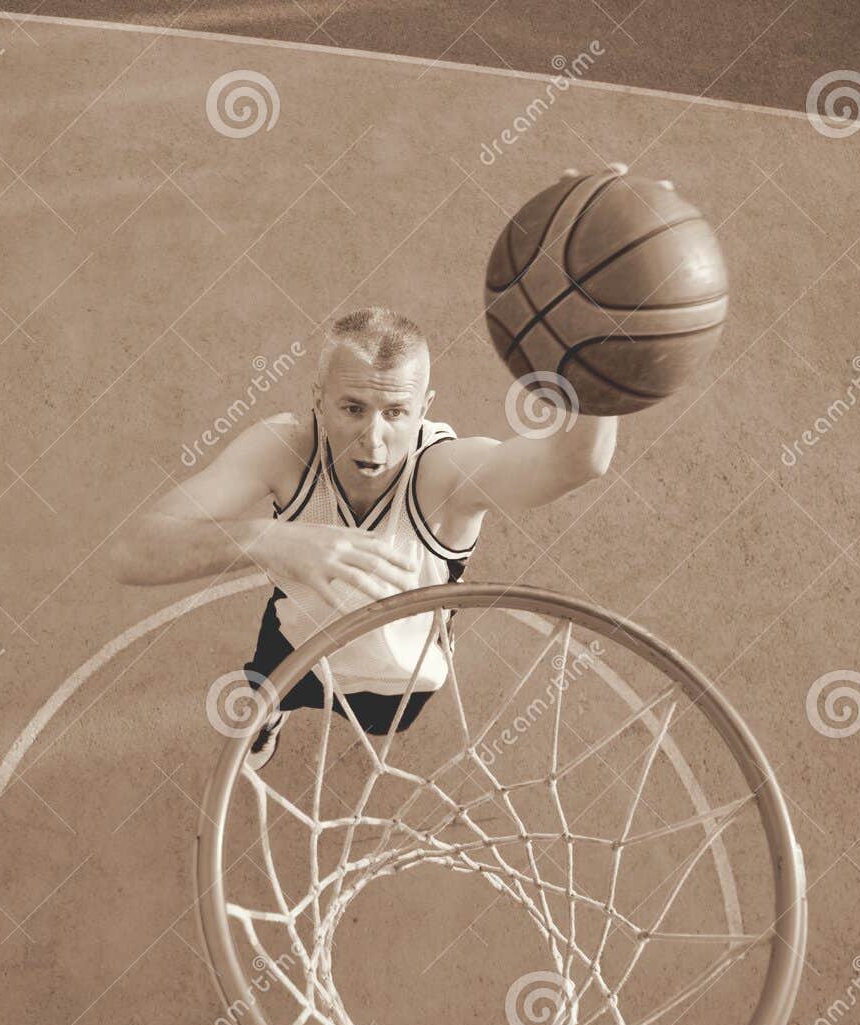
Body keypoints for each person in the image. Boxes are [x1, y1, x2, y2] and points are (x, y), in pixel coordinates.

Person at [112, 305, 616, 768]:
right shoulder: (284, 449)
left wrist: (600, 358)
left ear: (424, 408)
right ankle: (272, 714)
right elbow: (132, 553)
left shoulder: (444, 474)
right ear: (318, 399)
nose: (372, 439)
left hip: (398, 677)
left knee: (379, 726)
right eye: (353, 409)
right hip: (295, 643)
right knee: (267, 688)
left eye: (395, 412)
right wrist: (265, 538)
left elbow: (577, 464)